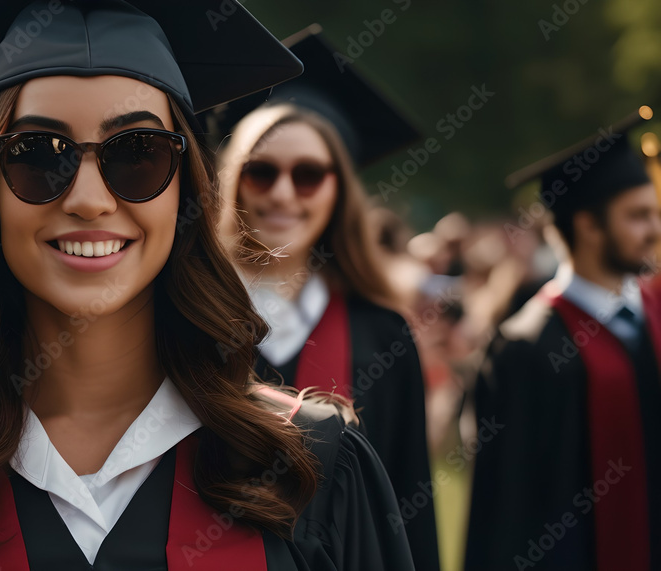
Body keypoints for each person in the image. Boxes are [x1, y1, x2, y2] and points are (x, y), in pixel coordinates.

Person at [0, 1, 417, 570]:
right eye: (38, 154)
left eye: (139, 153)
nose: (91, 199)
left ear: (187, 190)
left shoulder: (311, 471)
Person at [213, 25, 440, 571]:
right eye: (261, 172)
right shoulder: (194, 320)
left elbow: (411, 510)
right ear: (233, 182)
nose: (283, 194)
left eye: (309, 175)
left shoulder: (383, 335)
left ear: (340, 191)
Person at [466, 106, 661, 571]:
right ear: (588, 226)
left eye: (654, 214)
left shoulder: (656, 316)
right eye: (637, 216)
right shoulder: (526, 347)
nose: (654, 230)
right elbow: (508, 510)